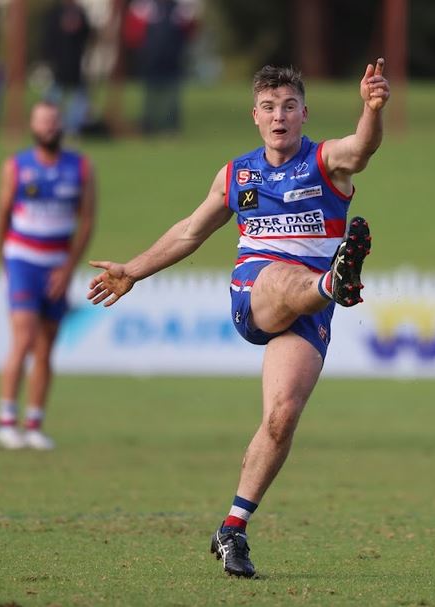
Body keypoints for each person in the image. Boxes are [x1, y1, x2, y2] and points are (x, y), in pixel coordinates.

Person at [87, 60, 390, 577]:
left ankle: (233, 529)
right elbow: (190, 232)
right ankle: (333, 282)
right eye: (269, 107)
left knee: (281, 418)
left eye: (289, 107)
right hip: (257, 295)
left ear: (304, 113)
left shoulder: (325, 161)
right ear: (255, 115)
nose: (279, 117)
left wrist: (371, 107)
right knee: (280, 274)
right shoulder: (237, 174)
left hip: (308, 312)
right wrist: (132, 271)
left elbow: (361, 147)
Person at [0, 102, 96, 451]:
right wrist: (7, 263)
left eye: (54, 121)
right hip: (23, 262)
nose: (49, 127)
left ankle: (34, 423)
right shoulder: (16, 166)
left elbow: (87, 221)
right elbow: (2, 217)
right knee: (22, 340)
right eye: (43, 122)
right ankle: (6, 421)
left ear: (61, 125)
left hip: (57, 267)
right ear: (33, 126)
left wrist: (68, 269)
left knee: (46, 347)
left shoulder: (80, 167)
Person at [123, 0, 197, 135]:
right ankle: (149, 127)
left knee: (171, 98)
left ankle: (169, 128)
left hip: (172, 61)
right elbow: (133, 34)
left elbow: (190, 31)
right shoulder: (144, 6)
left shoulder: (180, 8)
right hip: (151, 61)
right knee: (151, 98)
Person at [42, 0, 93, 137]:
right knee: (51, 100)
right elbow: (49, 38)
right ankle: (47, 126)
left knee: (80, 101)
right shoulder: (55, 13)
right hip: (59, 66)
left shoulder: (80, 13)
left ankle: (72, 128)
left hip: (75, 67)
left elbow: (87, 34)